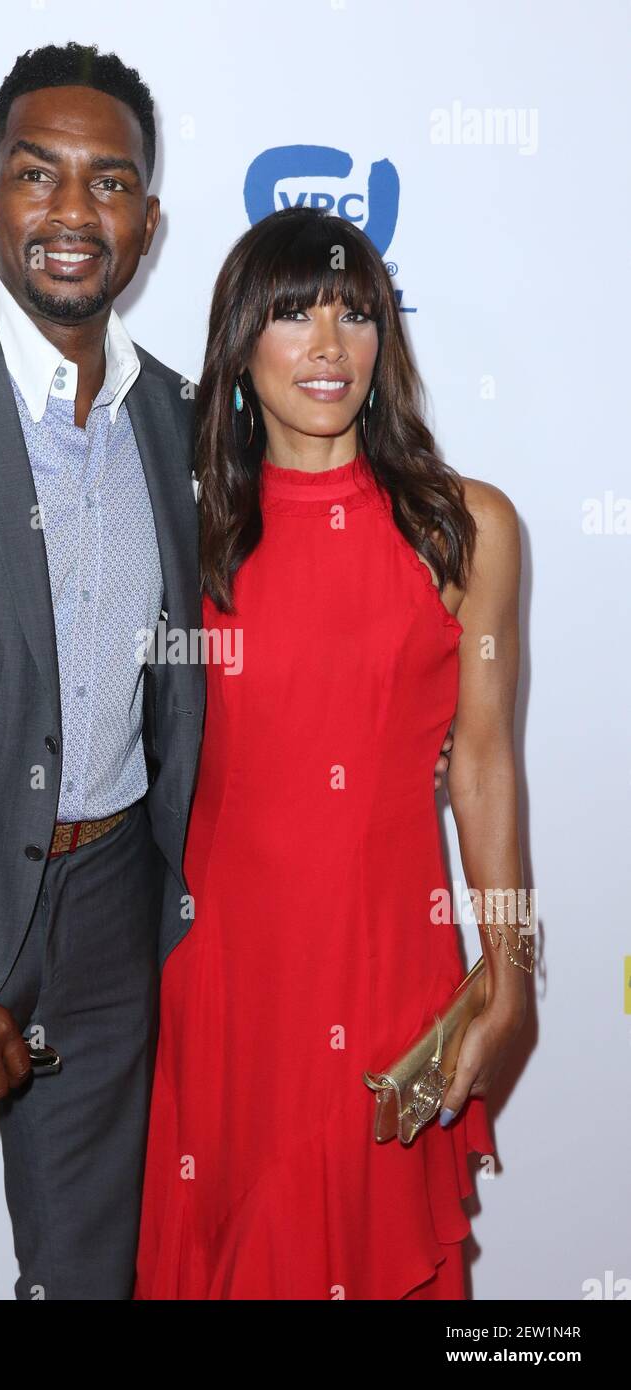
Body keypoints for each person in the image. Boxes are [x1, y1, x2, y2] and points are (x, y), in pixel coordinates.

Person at [0, 46, 453, 1300]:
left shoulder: (186, 427)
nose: (73, 212)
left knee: (94, 1283)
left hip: (118, 938)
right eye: (39, 176)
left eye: (109, 183)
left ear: (148, 223)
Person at [134, 207, 530, 1300]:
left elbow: (484, 766)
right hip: (219, 984)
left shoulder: (464, 528)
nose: (325, 344)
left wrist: (511, 971)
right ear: (238, 345)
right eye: (291, 314)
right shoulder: (188, 526)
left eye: (353, 313)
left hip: (384, 968)